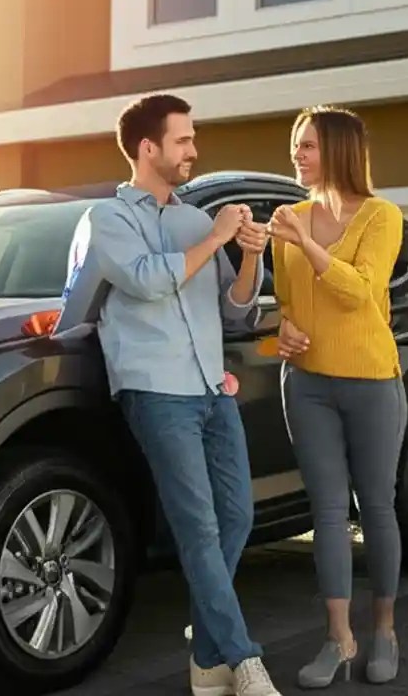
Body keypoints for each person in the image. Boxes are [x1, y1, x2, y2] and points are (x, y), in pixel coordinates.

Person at [84, 93, 280, 696]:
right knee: (197, 527)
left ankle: (208, 657)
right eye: (183, 140)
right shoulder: (109, 219)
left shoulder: (198, 222)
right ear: (148, 149)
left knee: (236, 516)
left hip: (210, 388)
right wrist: (218, 232)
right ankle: (244, 661)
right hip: (156, 392)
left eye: (193, 139)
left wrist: (248, 257)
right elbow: (145, 280)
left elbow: (232, 309)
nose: (194, 150)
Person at [265, 104, 408, 688]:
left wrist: (307, 241)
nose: (297, 155)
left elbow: (360, 292)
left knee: (375, 508)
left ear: (340, 152)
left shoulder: (381, 216)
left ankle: (385, 630)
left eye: (309, 146)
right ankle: (338, 638)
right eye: (296, 144)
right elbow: (286, 298)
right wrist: (283, 328)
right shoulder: (289, 217)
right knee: (325, 512)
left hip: (373, 381)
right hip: (308, 383)